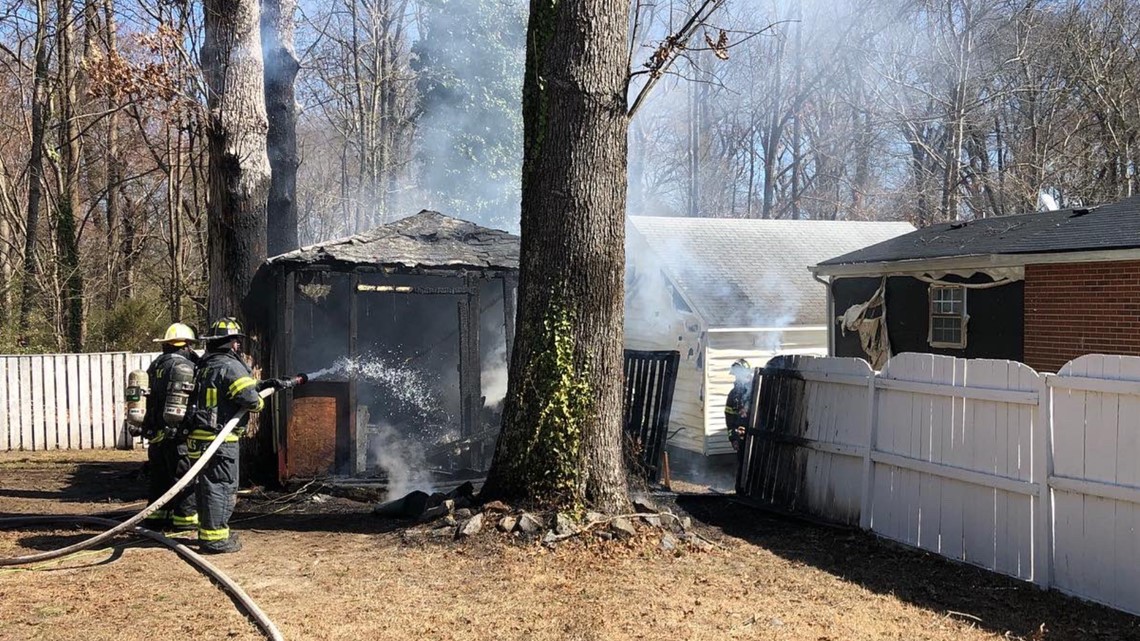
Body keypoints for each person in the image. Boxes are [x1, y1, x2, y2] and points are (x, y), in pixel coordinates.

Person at [188, 317, 289, 553]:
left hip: (199, 438)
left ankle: (208, 533)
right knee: (221, 486)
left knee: (206, 487)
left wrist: (263, 383)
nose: (237, 346)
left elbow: (230, 390)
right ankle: (215, 540)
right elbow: (250, 400)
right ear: (230, 342)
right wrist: (258, 401)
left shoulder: (205, 365)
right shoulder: (230, 366)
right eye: (235, 341)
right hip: (220, 441)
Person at [141, 323, 201, 532]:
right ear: (185, 346)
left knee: (159, 477)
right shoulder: (184, 368)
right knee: (184, 477)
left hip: (156, 434)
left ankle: (157, 516)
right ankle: (186, 519)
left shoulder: (155, 366)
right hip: (177, 435)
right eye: (189, 346)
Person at [724, 359, 752, 456]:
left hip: (755, 441)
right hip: (740, 440)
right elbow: (729, 420)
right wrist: (733, 439)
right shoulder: (733, 394)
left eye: (738, 375)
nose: (736, 378)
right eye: (735, 375)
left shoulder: (757, 390)